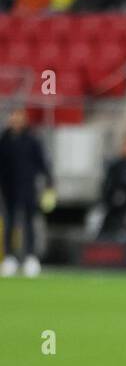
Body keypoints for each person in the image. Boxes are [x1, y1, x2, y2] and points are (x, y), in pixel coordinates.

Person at [0, 108, 53, 279]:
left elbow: (42, 162)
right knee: (9, 223)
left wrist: (49, 181)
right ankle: (9, 257)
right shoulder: (4, 140)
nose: (16, 121)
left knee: (29, 223)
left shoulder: (31, 140)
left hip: (28, 188)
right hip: (8, 189)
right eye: (13, 117)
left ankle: (30, 257)